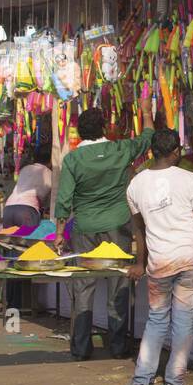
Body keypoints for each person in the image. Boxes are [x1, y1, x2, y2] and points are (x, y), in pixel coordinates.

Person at [115, 130, 193, 385]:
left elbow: (139, 230)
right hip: (190, 259)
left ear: (151, 152)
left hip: (159, 261)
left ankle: (140, 383)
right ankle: (174, 384)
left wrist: (141, 261)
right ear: (176, 151)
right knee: (184, 321)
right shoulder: (189, 180)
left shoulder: (136, 184)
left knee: (156, 320)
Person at [53, 104, 153, 360]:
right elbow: (147, 138)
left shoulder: (73, 159)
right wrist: (146, 113)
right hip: (118, 225)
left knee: (83, 287)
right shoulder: (120, 149)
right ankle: (118, 347)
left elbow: (64, 199)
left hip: (85, 227)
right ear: (104, 127)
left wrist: (59, 231)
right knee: (119, 285)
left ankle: (80, 348)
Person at [2, 142, 53, 231]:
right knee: (29, 242)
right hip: (26, 211)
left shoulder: (25, 168)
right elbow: (46, 196)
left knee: (9, 241)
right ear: (51, 159)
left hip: (8, 209)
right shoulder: (49, 173)